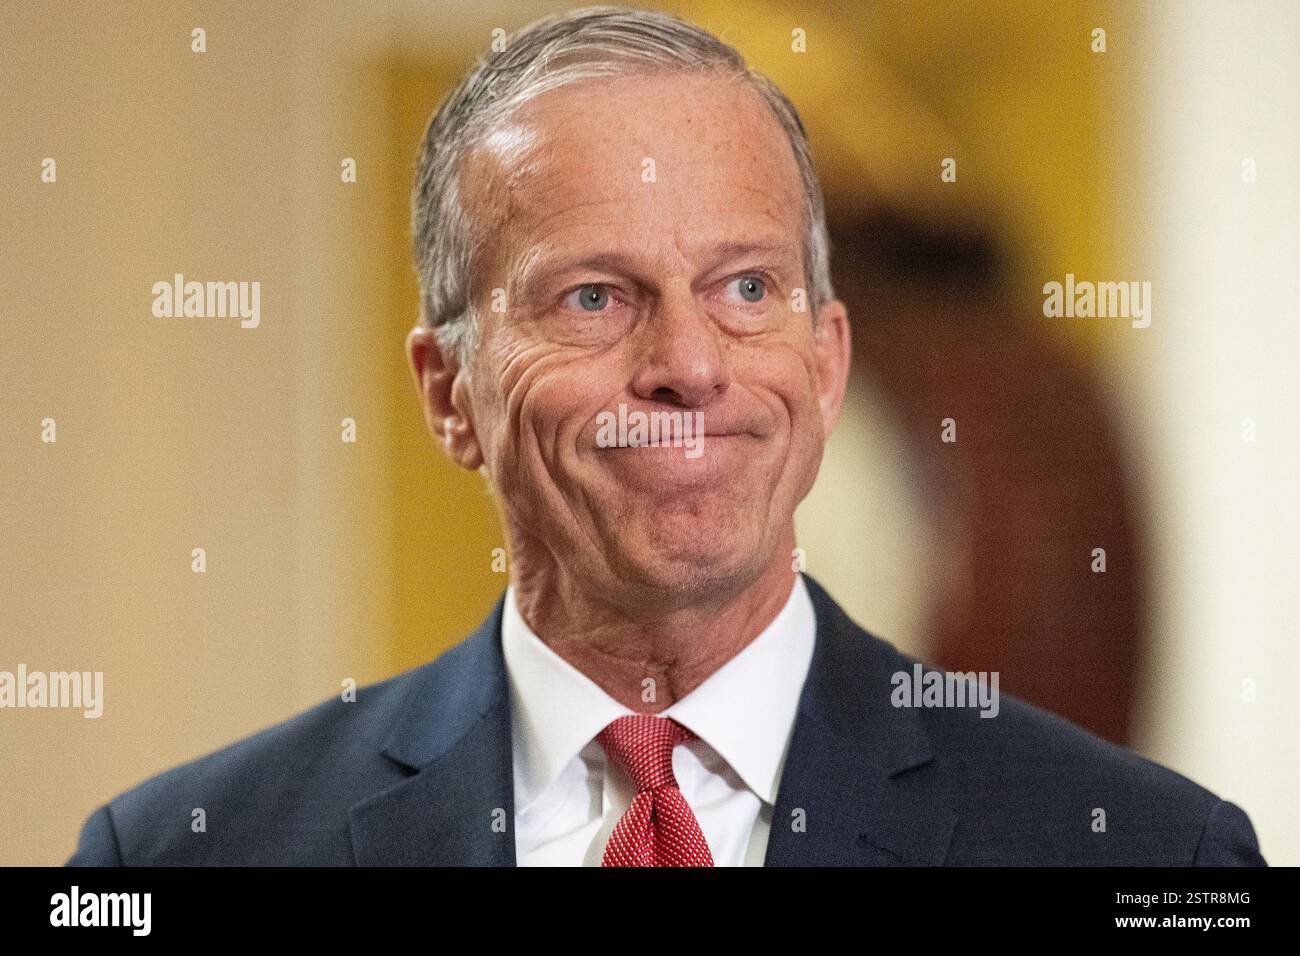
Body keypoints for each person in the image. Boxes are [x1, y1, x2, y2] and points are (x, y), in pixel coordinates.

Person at [68, 5, 1264, 867]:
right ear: (449, 395)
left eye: (746, 289)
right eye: (594, 296)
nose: (689, 363)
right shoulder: (182, 853)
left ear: (828, 361)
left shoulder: (1150, 855)